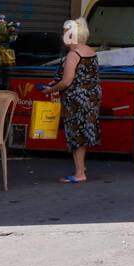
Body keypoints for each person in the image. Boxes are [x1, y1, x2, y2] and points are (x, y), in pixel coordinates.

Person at [43, 17, 100, 184]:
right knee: (84, 132)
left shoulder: (73, 55)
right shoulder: (91, 51)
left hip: (76, 100)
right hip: (91, 97)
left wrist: (50, 89)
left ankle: (79, 173)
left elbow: (66, 81)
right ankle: (81, 166)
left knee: (76, 136)